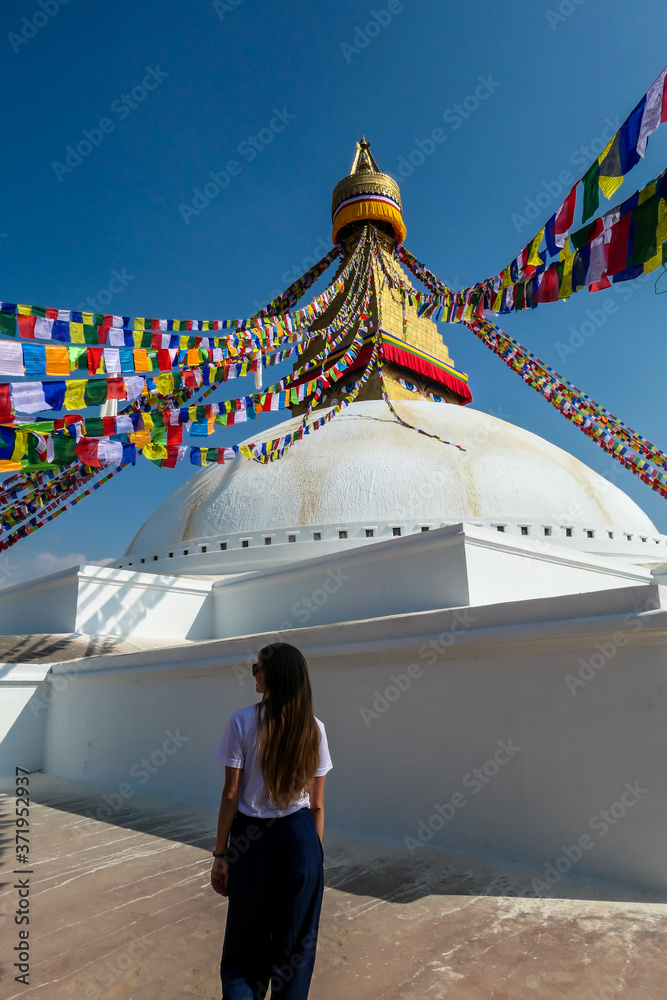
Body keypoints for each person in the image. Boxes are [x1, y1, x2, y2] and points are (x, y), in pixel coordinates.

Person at [211, 641, 333, 999]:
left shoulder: (242, 721)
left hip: (252, 839)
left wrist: (221, 854)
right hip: (300, 836)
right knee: (294, 952)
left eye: (257, 668)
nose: (254, 674)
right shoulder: (315, 728)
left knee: (244, 949)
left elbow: (231, 794)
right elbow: (318, 804)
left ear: (274, 674)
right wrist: (314, 858)